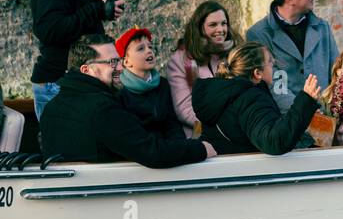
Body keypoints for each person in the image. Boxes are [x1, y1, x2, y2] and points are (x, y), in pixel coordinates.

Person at [39, 35, 215, 167]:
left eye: (119, 61)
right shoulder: (102, 108)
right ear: (86, 69)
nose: (120, 67)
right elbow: (153, 153)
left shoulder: (52, 107)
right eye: (112, 62)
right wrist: (202, 149)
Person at [191, 42, 321, 155]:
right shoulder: (250, 98)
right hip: (243, 175)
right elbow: (274, 141)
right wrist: (306, 100)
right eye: (270, 62)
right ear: (257, 73)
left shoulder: (223, 94)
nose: (273, 66)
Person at [246, 0, 338, 115]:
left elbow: (336, 72)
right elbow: (275, 86)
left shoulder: (322, 27)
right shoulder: (259, 35)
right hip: (287, 123)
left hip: (327, 118)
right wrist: (303, 114)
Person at [167, 0, 235, 136]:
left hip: (237, 129)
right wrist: (223, 125)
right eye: (213, 25)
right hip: (202, 134)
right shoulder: (181, 60)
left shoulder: (233, 53)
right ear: (200, 28)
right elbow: (184, 109)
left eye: (224, 23)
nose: (220, 30)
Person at [116, 27, 186, 140]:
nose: (149, 51)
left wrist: (180, 146)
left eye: (150, 47)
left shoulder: (163, 84)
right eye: (140, 49)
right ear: (126, 62)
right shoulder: (121, 93)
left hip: (169, 149)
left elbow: (172, 122)